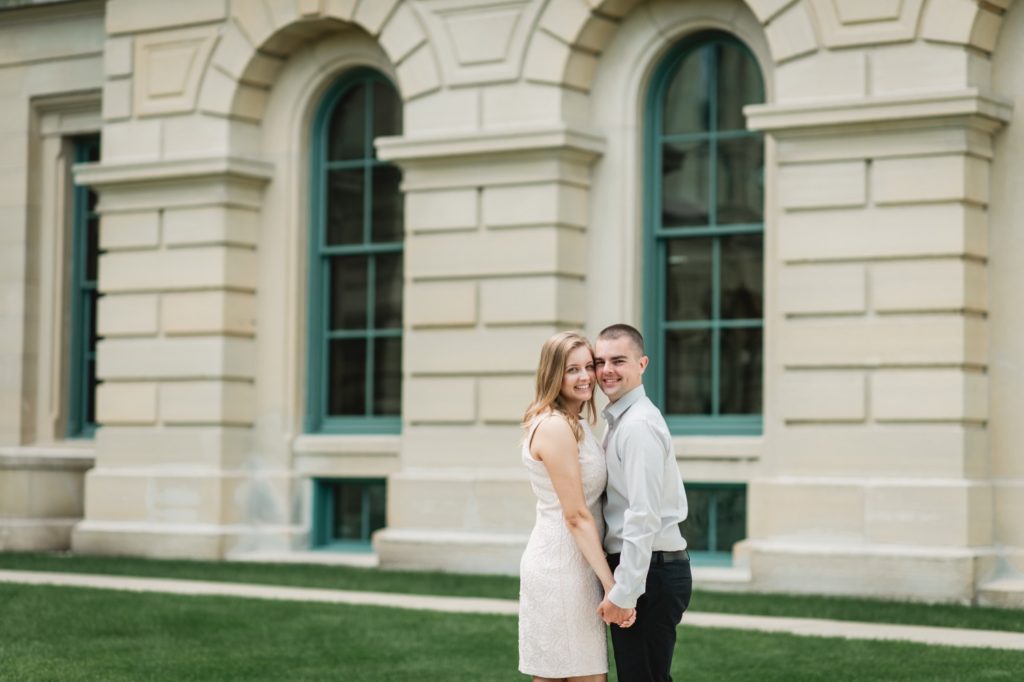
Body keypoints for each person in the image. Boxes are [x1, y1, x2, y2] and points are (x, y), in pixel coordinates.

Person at [519, 331, 636, 682]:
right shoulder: (555, 426)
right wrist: (613, 584)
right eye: (573, 369)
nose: (586, 376)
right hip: (561, 568)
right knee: (578, 675)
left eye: (590, 365)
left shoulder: (577, 422)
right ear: (553, 374)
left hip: (578, 563)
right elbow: (576, 515)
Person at [594, 324, 691, 682]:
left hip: (650, 572)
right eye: (600, 361)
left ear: (642, 364)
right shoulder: (619, 420)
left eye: (618, 360)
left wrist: (626, 592)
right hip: (647, 569)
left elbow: (642, 515)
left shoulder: (637, 426)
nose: (607, 370)